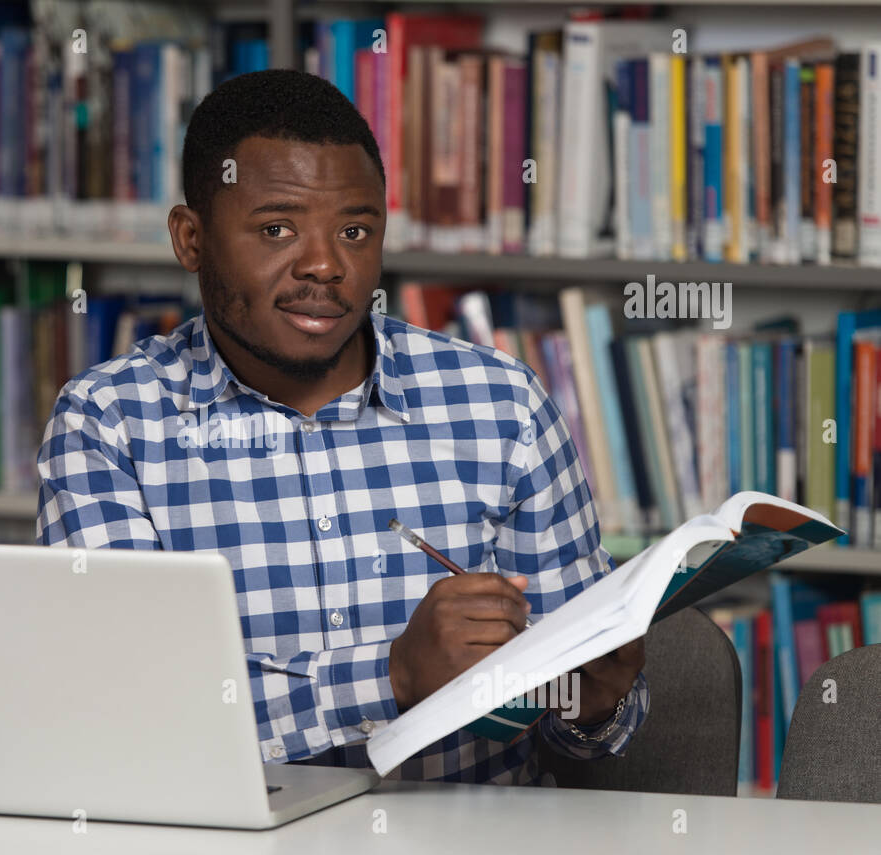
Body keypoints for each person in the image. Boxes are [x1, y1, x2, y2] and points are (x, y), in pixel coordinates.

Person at [37, 69, 647, 784]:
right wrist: (391, 676)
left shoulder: (502, 405)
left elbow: (581, 743)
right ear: (191, 239)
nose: (327, 264)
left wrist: (594, 705)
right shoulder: (108, 427)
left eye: (355, 230)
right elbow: (127, 719)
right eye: (276, 229)